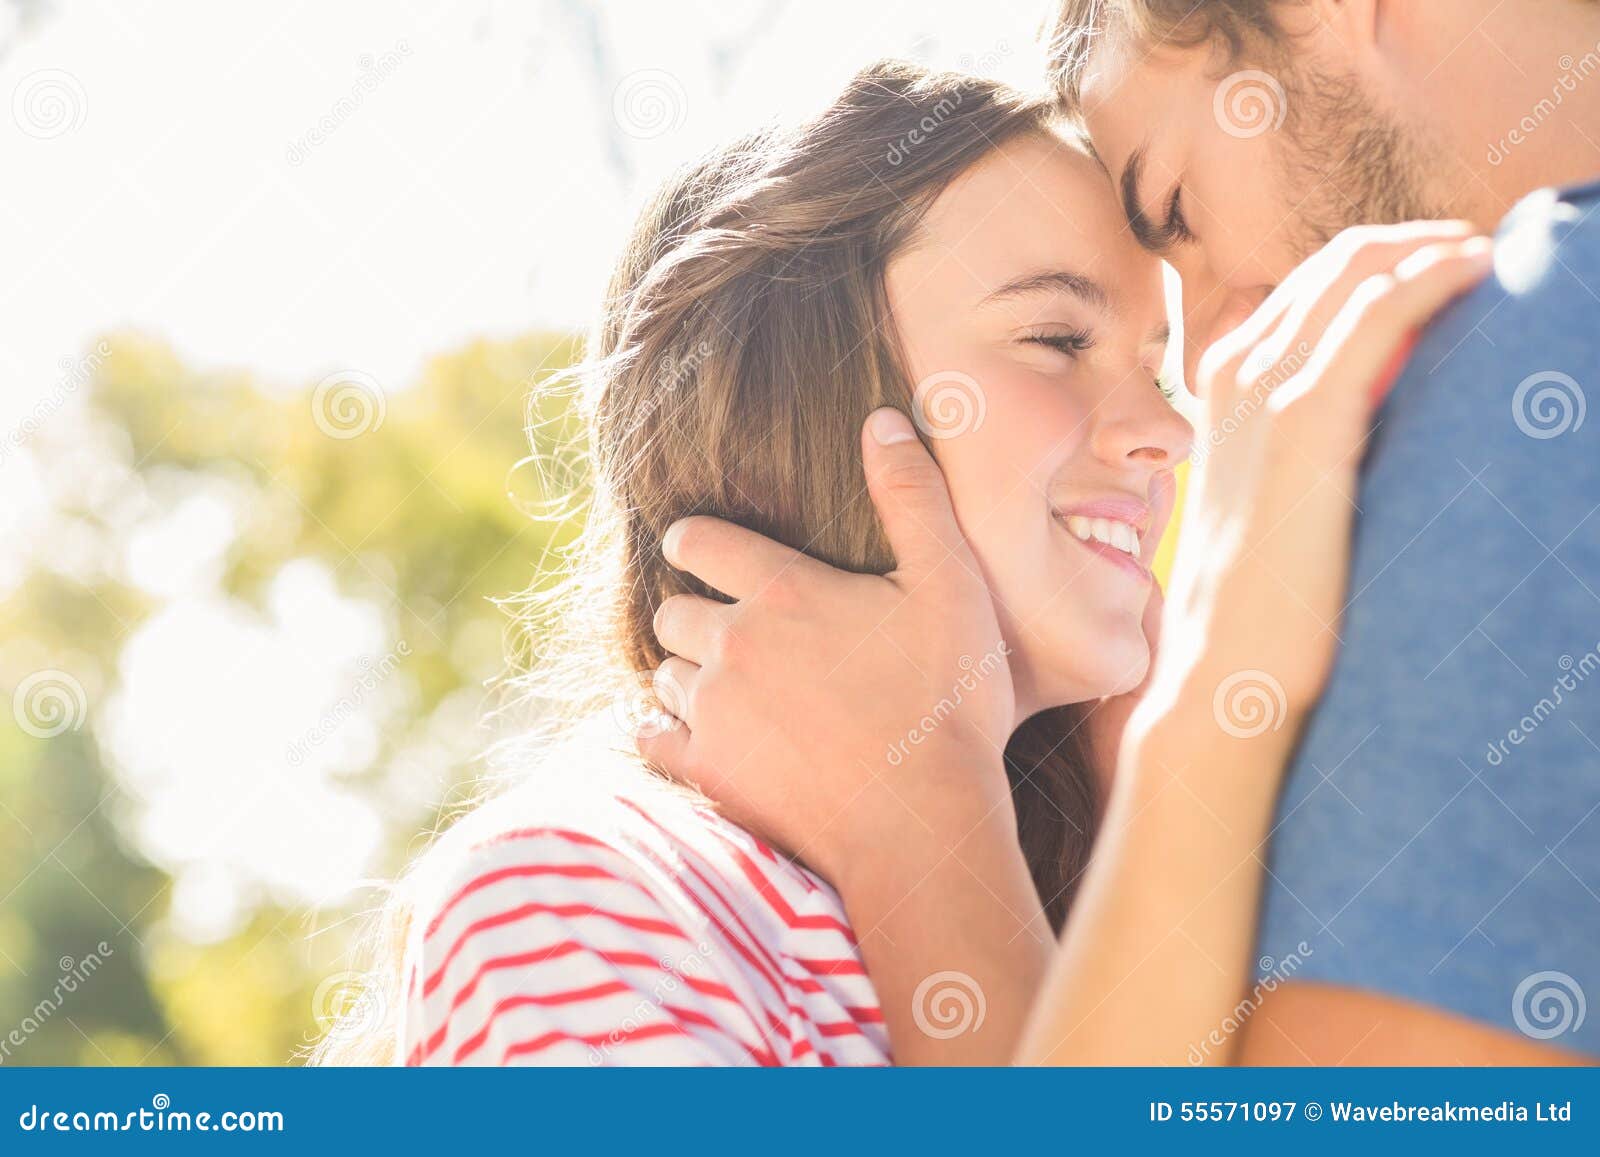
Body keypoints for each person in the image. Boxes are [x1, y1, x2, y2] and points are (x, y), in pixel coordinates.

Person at [648, 0, 1600, 1063]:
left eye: (1175, 207)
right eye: (1059, 336)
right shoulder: (626, 892)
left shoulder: (1529, 358)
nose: (1197, 382)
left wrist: (935, 812)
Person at [318, 61, 1199, 1065]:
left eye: (1157, 368)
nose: (1167, 429)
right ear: (789, 400)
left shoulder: (1126, 913)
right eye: (1053, 337)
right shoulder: (584, 894)